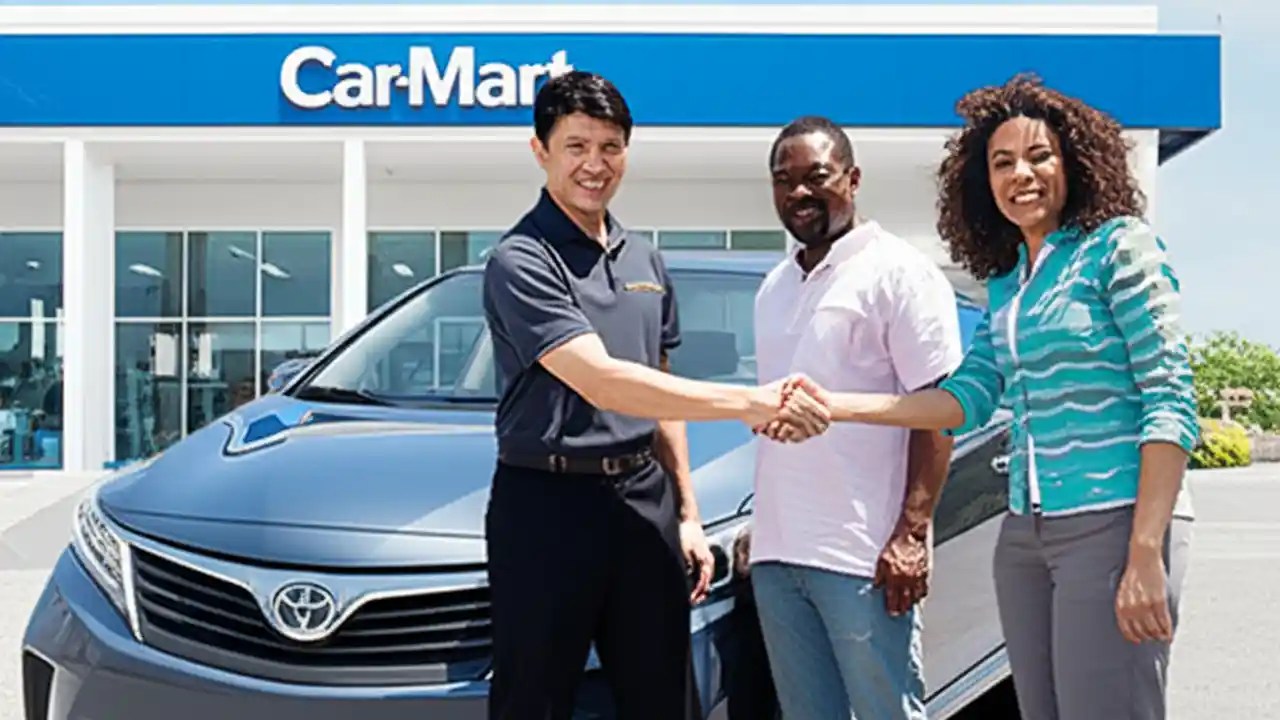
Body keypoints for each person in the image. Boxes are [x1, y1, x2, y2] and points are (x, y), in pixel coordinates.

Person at [771, 74, 1199, 720]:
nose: (1020, 174)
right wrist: (833, 405)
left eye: (1038, 156)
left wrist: (1144, 550)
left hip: (1114, 519)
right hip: (1025, 532)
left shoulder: (1118, 248)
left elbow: (1170, 399)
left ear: (1075, 163)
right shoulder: (1009, 284)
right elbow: (962, 400)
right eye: (1002, 163)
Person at [480, 70, 830, 720]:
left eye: (610, 147)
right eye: (576, 146)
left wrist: (687, 515)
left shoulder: (644, 259)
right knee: (534, 700)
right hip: (546, 507)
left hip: (642, 499)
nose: (595, 164)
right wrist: (751, 403)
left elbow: (659, 391)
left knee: (664, 695)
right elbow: (602, 379)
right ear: (540, 151)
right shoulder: (520, 261)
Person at [748, 115, 963, 720]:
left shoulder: (899, 273)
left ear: (853, 178)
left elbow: (941, 412)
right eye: (783, 179)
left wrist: (911, 535)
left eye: (816, 176)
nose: (799, 192)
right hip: (778, 556)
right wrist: (760, 526)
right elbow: (775, 418)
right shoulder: (774, 286)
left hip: (864, 558)